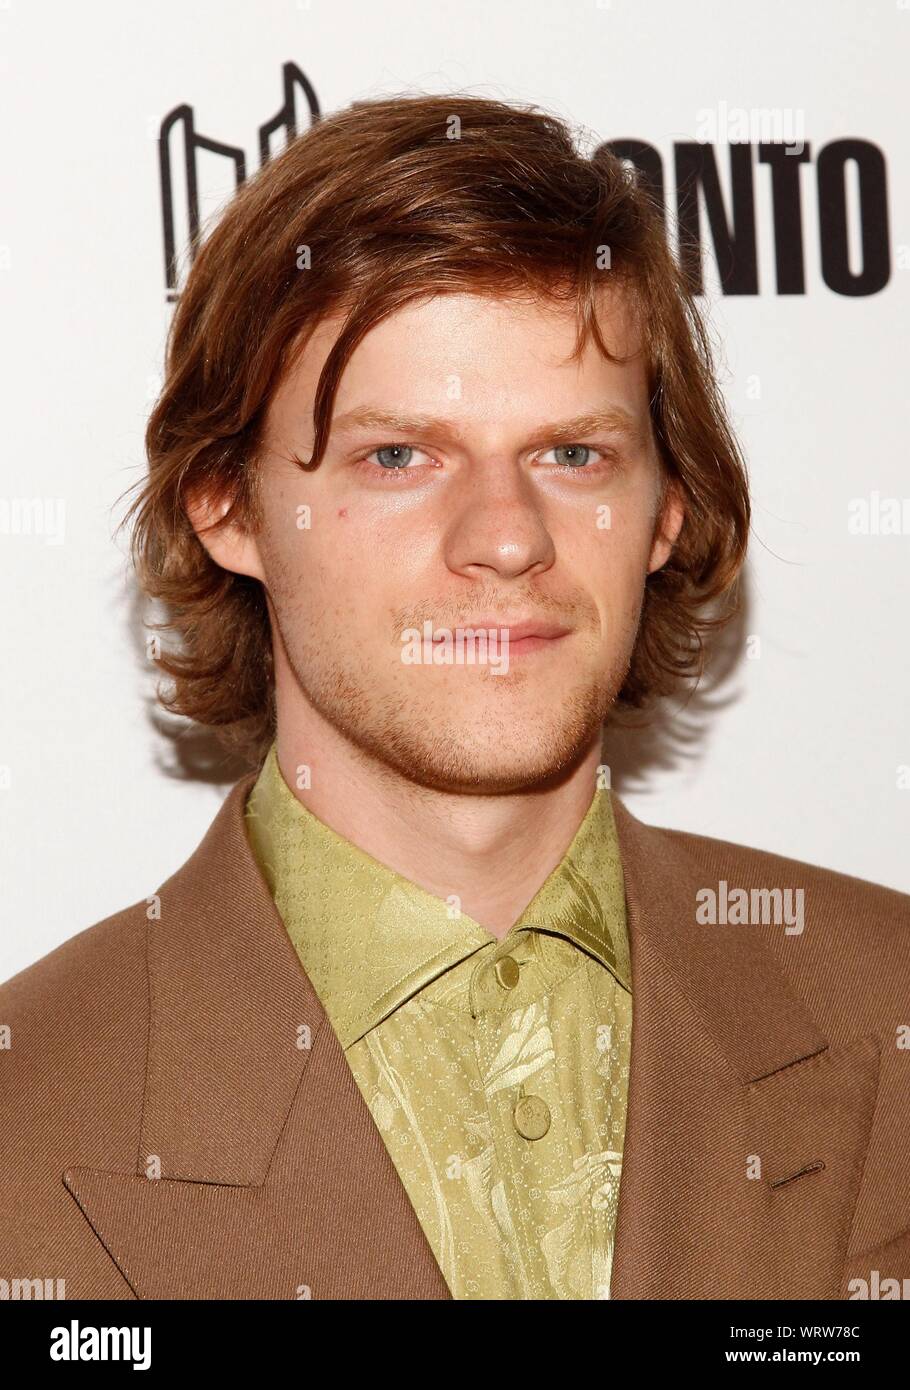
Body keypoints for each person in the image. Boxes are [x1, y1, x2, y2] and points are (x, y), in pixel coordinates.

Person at [1, 93, 908, 1302]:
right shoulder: (33, 1106)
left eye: (571, 454)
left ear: (665, 512)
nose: (505, 538)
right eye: (398, 457)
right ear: (228, 506)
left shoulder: (885, 1007)